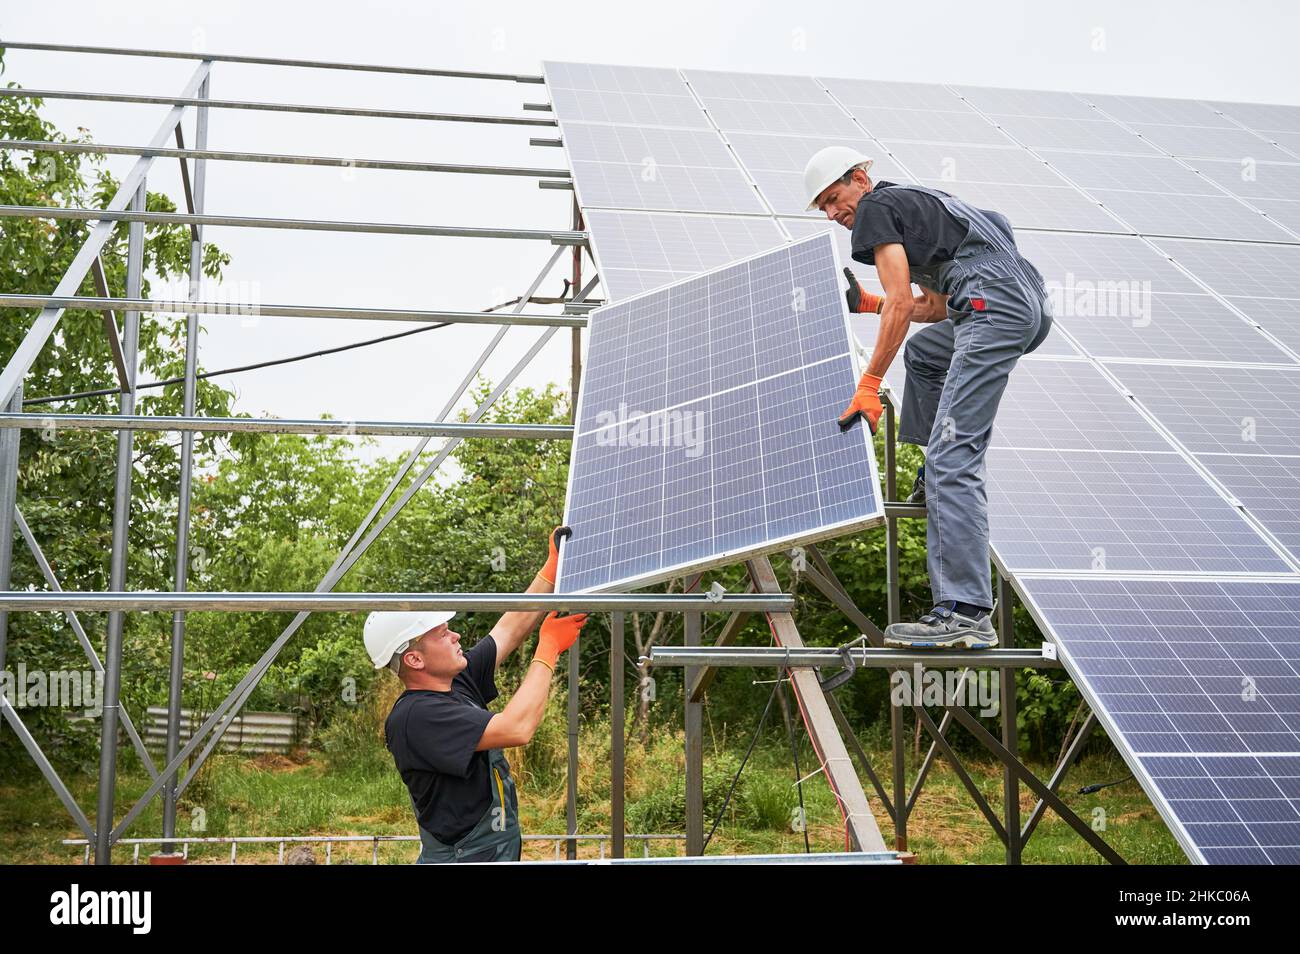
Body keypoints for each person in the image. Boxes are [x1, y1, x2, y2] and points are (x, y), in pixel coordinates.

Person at [803, 146, 1054, 649]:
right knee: (924, 356)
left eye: (834, 198)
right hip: (1014, 302)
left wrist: (869, 383)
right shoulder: (924, 205)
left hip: (991, 306)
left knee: (953, 454)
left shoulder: (876, 209)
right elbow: (935, 308)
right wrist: (870, 303)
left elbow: (902, 301)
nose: (833, 214)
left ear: (859, 178)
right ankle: (930, 475)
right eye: (824, 208)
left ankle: (964, 611)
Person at [363, 527, 585, 862]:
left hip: (494, 852)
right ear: (415, 659)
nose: (455, 635)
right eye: (442, 633)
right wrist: (549, 647)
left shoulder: (457, 681)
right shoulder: (416, 717)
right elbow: (517, 728)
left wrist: (550, 569)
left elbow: (510, 629)